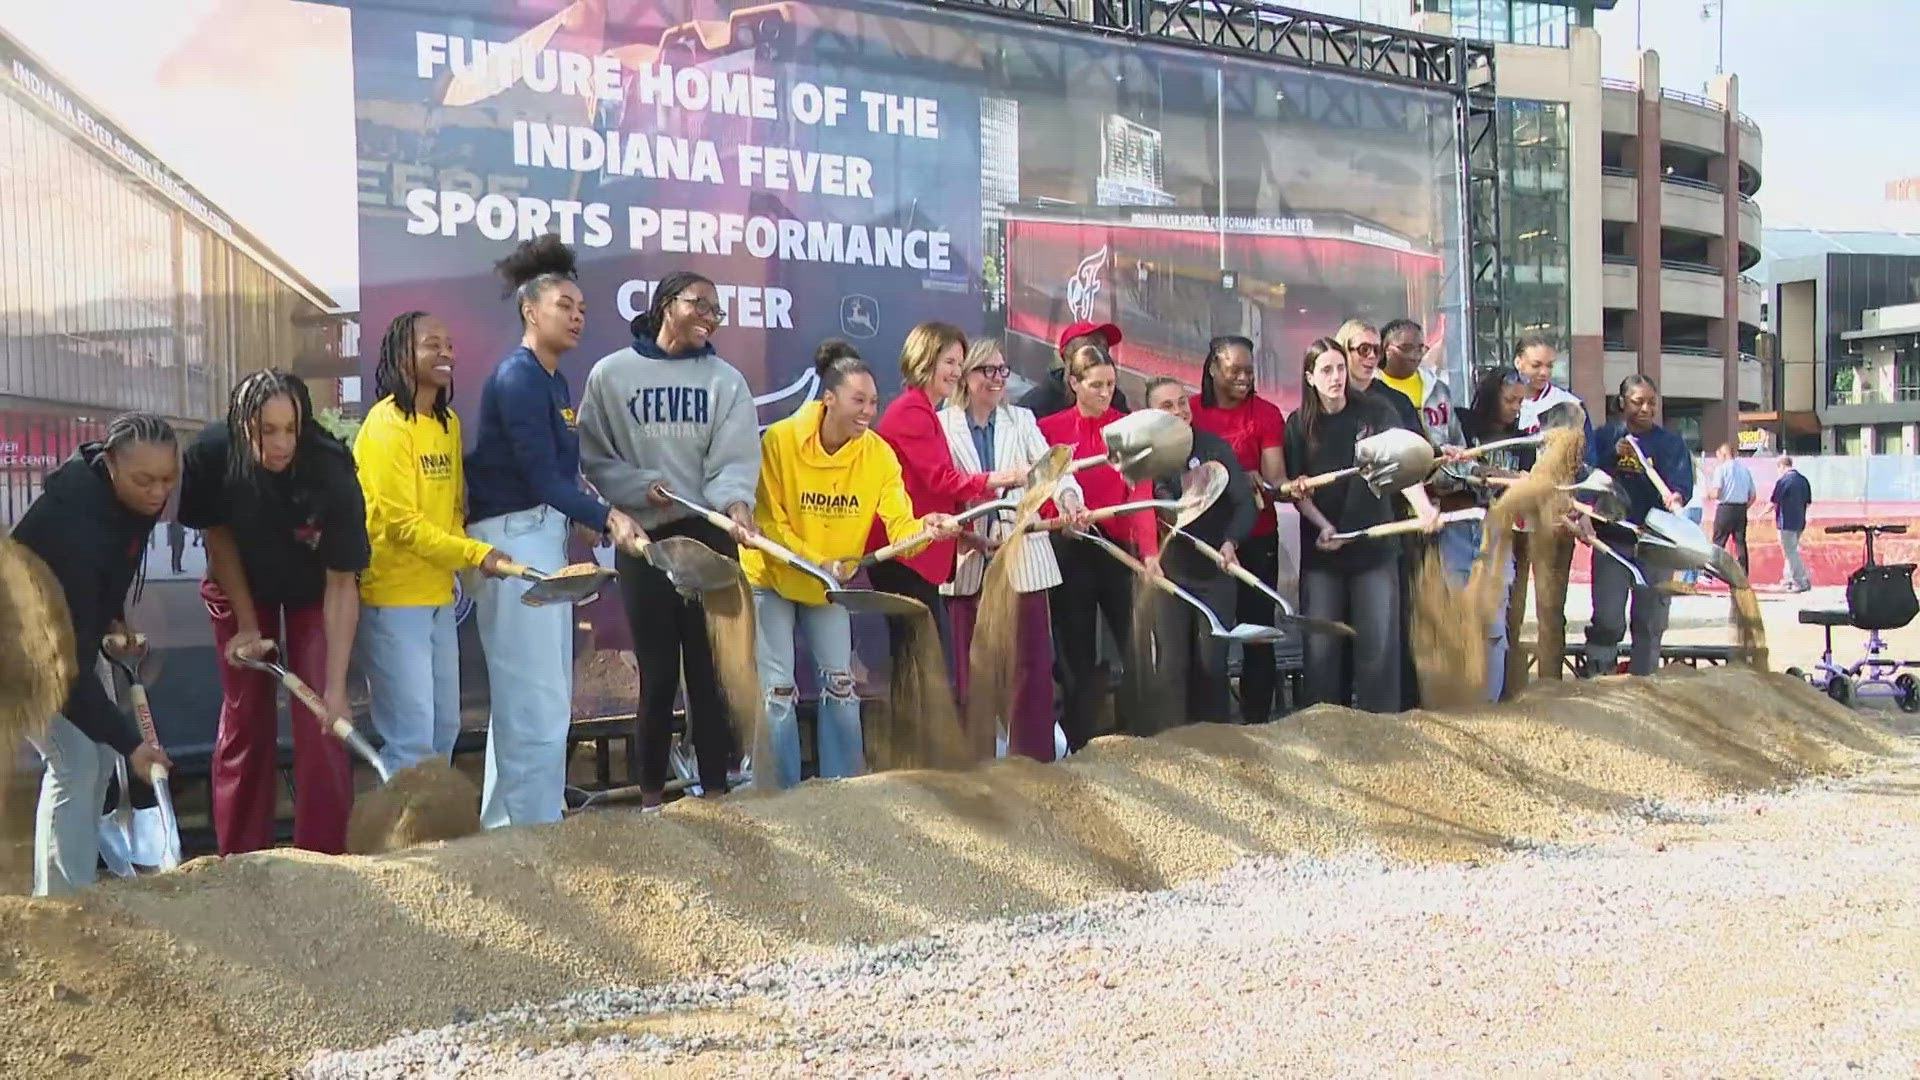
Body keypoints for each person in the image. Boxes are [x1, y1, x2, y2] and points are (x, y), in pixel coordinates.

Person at [465, 234, 644, 829]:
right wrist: (607, 517)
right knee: (536, 699)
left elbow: (558, 475)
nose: (576, 316)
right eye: (564, 305)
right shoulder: (517, 377)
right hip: (512, 543)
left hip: (541, 533)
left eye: (581, 308)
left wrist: (586, 509)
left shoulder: (554, 380)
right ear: (530, 310)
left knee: (531, 696)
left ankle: (507, 827)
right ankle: (537, 829)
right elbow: (541, 475)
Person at [578, 271, 759, 809]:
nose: (709, 316)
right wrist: (636, 489)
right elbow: (596, 454)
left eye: (717, 310)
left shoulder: (726, 381)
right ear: (664, 305)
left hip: (707, 537)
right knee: (657, 677)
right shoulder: (611, 375)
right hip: (646, 543)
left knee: (709, 677)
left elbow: (734, 458)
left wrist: (737, 507)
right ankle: (652, 801)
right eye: (699, 304)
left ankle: (717, 796)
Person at [744, 352, 959, 789]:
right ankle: (780, 794)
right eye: (858, 401)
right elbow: (769, 523)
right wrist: (817, 560)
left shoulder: (878, 455)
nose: (867, 412)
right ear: (828, 400)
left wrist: (925, 529)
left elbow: (900, 523)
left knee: (841, 684)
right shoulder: (780, 442)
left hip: (828, 588)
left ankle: (844, 790)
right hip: (773, 578)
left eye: (873, 403)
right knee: (778, 692)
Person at [179, 370, 368, 855]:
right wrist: (246, 626)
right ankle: (241, 857)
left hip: (313, 589)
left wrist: (336, 686)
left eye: (291, 428)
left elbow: (342, 581)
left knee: (322, 721)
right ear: (244, 427)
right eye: (268, 430)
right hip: (242, 579)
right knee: (246, 718)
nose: (282, 443)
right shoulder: (211, 454)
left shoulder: (330, 467)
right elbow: (218, 540)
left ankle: (326, 858)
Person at [13, 412, 177, 894]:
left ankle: (76, 890)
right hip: (24, 650)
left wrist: (112, 618)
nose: (157, 493)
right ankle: (61, 910)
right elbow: (66, 676)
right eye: (144, 480)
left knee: (99, 759)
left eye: (167, 479)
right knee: (77, 761)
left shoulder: (127, 503)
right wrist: (135, 745)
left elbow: (107, 576)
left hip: (68, 640)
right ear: (109, 465)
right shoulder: (73, 530)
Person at [354, 311, 511, 780]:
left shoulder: (447, 424)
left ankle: (433, 839)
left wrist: (467, 554)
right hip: (394, 600)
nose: (445, 353)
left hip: (440, 598)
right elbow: (402, 525)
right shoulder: (386, 426)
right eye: (431, 344)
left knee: (443, 728)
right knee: (412, 737)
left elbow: (453, 513)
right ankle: (408, 846)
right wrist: (476, 554)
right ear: (403, 355)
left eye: (448, 344)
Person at [939, 339, 1084, 760]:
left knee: (1032, 665)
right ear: (965, 376)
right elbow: (942, 485)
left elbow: (1055, 471)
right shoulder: (942, 425)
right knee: (973, 669)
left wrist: (1071, 502)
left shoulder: (1021, 420)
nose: (998, 379)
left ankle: (1033, 759)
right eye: (988, 370)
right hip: (968, 558)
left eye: (1003, 371)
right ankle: (977, 760)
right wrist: (967, 531)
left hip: (1023, 554)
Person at [1284, 339, 1436, 712]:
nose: (1336, 377)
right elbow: (1297, 491)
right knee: (1321, 650)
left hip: (1375, 549)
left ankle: (1381, 728)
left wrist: (1423, 508)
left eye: (1339, 368)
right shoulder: (1299, 424)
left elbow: (1402, 469)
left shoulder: (1376, 410)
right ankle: (1322, 729)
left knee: (1379, 648)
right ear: (1310, 377)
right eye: (1326, 371)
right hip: (1325, 556)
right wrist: (1322, 526)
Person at [871, 322, 1027, 672]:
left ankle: (919, 726)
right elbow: (941, 480)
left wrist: (967, 535)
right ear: (925, 359)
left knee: (921, 662)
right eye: (949, 362)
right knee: (920, 663)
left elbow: (935, 491)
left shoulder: (923, 410)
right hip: (903, 556)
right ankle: (917, 727)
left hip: (919, 553)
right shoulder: (911, 411)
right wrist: (1005, 477)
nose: (956, 372)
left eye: (960, 363)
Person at [1038, 342, 1163, 749]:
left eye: (1110, 384)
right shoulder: (1049, 429)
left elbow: (1141, 492)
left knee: (1134, 641)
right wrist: (1063, 520)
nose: (1105, 392)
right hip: (1070, 548)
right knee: (1075, 649)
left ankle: (1141, 732)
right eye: (1095, 384)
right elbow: (1041, 488)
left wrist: (1148, 552)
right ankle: (1080, 741)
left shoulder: (1127, 427)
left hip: (1116, 547)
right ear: (1073, 383)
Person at [1143, 377, 1255, 726]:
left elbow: (1244, 504)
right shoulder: (1145, 457)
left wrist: (1230, 542)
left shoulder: (1214, 448)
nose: (1178, 411)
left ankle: (1216, 751)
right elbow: (1142, 511)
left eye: (1181, 402)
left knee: (1212, 667)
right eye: (1167, 406)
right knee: (1172, 668)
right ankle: (1175, 751)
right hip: (1169, 578)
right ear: (1150, 414)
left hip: (1214, 576)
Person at [1189, 335, 1287, 723]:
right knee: (1205, 637)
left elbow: (1275, 481)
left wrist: (1255, 479)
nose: (1245, 378)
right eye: (1235, 370)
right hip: (1203, 543)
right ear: (1213, 368)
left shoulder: (1265, 413)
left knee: (1258, 635)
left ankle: (1257, 723)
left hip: (1256, 536)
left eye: (1250, 370)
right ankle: (1205, 724)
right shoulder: (1190, 410)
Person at [1579, 375, 1692, 676]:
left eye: (1651, 402)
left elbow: (1680, 482)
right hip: (1612, 541)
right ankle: (1599, 678)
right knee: (1608, 618)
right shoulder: (1604, 437)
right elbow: (1587, 478)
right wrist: (1611, 456)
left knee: (1650, 622)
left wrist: (1676, 496)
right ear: (1621, 402)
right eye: (1637, 401)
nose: (1645, 408)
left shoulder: (1669, 443)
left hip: (1655, 544)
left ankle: (1645, 681)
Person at [1440, 366, 1533, 701]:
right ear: (1492, 395)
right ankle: (1453, 694)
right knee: (1455, 612)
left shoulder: (1523, 441)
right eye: (1510, 400)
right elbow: (1449, 470)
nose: (1515, 408)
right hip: (1457, 525)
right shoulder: (1462, 422)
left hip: (1496, 531)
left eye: (1521, 402)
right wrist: (1498, 474)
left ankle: (1488, 701)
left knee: (1494, 622)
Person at [1506, 335, 1591, 683]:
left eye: (1549, 365)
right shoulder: (1506, 402)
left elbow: (1584, 464)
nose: (1543, 372)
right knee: (1509, 608)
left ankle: (1550, 686)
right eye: (1535, 364)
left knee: (1550, 607)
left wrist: (1581, 507)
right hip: (1510, 516)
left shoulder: (1570, 407)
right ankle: (1506, 683)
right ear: (1518, 363)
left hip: (1553, 520)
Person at [1376, 319, 1463, 451]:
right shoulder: (1372, 390)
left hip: (1444, 469)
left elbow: (1457, 440)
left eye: (1420, 348)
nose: (1414, 356)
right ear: (1384, 349)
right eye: (1405, 348)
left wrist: (1473, 468)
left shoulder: (1438, 389)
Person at [1015, 321, 1132, 416]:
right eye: (1090, 348)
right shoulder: (1037, 404)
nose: (1099, 354)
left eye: (1104, 347)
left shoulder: (1116, 399)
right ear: (1069, 358)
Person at [1337, 318, 1420, 432]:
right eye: (1364, 349)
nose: (1372, 356)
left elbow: (1418, 446)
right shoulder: (1331, 400)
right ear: (1344, 351)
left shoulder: (1398, 402)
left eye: (1376, 350)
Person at [1760, 454, 1813, 592]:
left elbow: (1774, 502)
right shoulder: (1803, 480)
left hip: (1786, 523)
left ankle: (1802, 580)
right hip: (1800, 521)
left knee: (1790, 553)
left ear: (1782, 466)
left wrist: (1761, 514)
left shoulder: (1784, 481)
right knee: (1791, 551)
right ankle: (1787, 580)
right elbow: (1807, 503)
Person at [1708, 442, 1754, 577]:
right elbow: (1753, 496)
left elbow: (1717, 492)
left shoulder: (1721, 469)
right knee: (1740, 542)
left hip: (1725, 507)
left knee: (1718, 541)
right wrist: (1744, 507)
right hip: (1741, 509)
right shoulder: (1745, 470)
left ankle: (1709, 574)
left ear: (1723, 454)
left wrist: (1708, 494)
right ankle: (1743, 573)